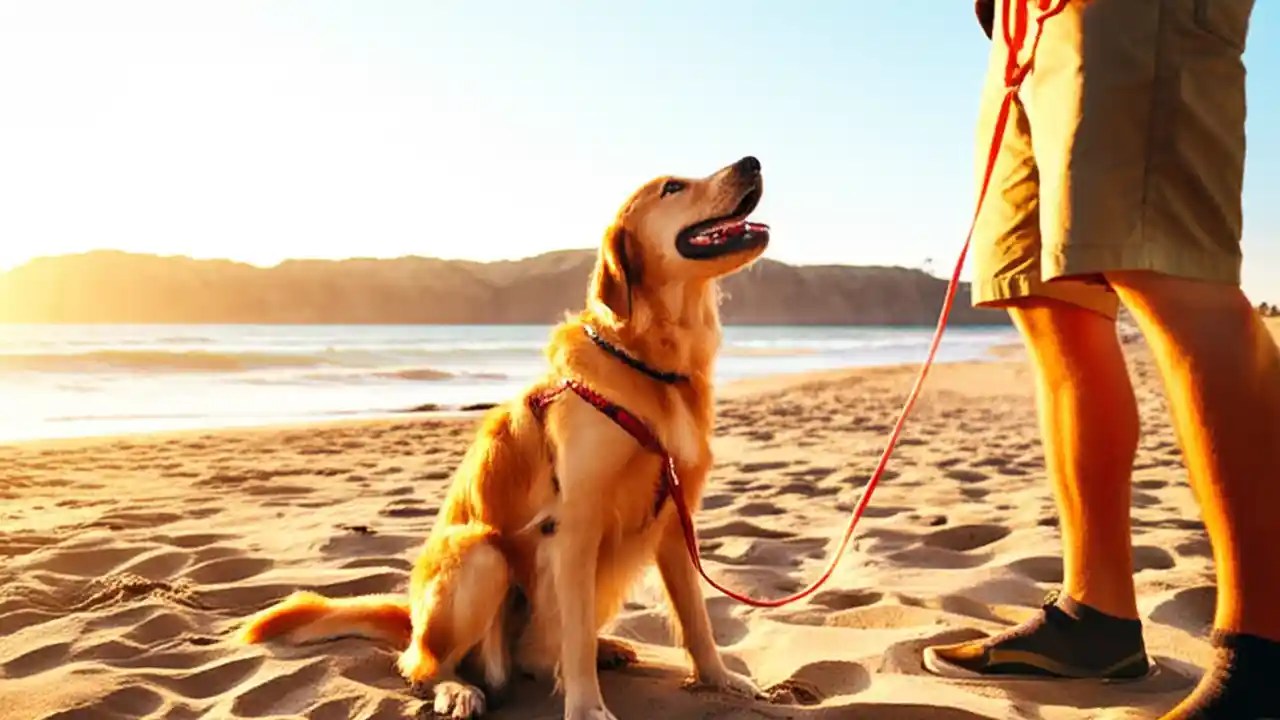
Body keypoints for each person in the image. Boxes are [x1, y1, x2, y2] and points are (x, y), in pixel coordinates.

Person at [920, 1, 1280, 718]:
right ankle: (1097, 618)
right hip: (1017, 23)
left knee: (1166, 268)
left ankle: (1265, 652)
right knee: (1045, 295)